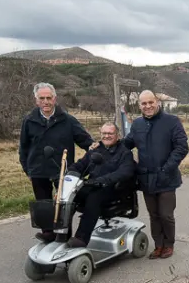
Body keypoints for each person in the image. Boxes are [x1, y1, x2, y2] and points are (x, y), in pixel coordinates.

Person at [19, 82, 93, 243]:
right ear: (36, 100)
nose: (46, 101)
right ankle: (48, 235)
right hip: (38, 171)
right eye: (42, 98)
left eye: (49, 98)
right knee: (44, 205)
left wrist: (96, 150)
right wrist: (27, 170)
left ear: (55, 99)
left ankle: (64, 237)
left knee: (65, 206)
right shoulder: (29, 120)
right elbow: (23, 148)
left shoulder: (67, 120)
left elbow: (85, 141)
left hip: (62, 171)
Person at [123, 90, 189, 259]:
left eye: (150, 102)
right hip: (146, 178)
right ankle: (158, 245)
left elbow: (181, 147)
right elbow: (127, 144)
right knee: (153, 214)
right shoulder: (137, 124)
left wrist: (167, 168)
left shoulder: (171, 122)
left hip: (167, 176)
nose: (148, 106)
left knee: (166, 214)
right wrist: (105, 145)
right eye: (144, 103)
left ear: (157, 102)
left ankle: (168, 244)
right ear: (139, 106)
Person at [65, 123, 137, 247]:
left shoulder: (124, 153)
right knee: (69, 195)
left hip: (113, 189)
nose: (106, 136)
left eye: (110, 133)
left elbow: (125, 172)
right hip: (93, 185)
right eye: (104, 133)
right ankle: (62, 234)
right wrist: (69, 174)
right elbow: (81, 165)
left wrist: (102, 180)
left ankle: (81, 238)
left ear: (117, 136)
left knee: (94, 197)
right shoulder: (96, 150)